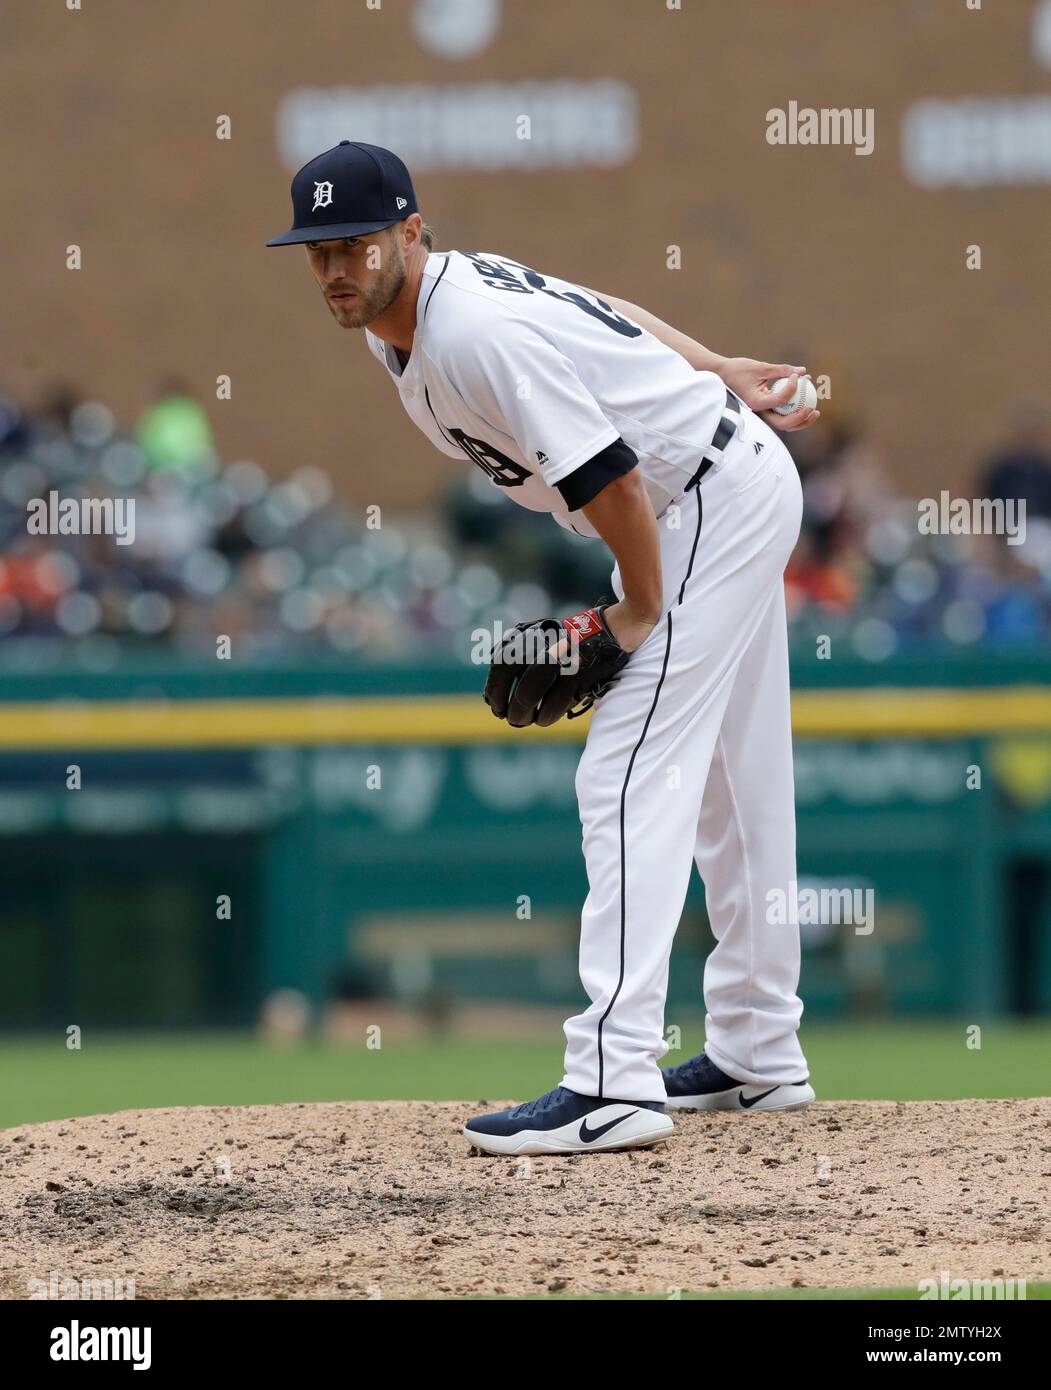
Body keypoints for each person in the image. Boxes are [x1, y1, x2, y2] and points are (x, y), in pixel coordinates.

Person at [268, 142, 819, 1156]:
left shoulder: (469, 331)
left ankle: (611, 1078)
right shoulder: (407, 319)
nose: (337, 267)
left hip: (697, 503)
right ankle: (756, 1048)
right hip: (714, 486)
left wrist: (637, 614)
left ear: (410, 233)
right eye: (317, 250)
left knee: (624, 771)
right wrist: (715, 369)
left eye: (355, 243)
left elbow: (607, 476)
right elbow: (602, 312)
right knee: (733, 779)